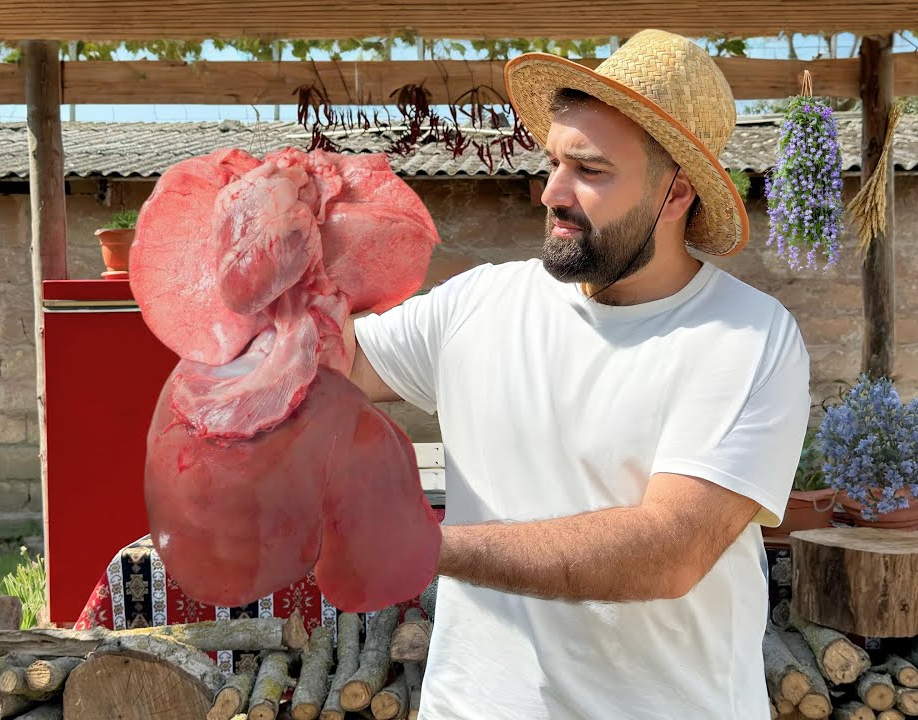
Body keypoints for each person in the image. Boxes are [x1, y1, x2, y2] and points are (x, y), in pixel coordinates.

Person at [343, 29, 811, 719]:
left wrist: (418, 545)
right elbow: (331, 366)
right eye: (554, 162)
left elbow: (670, 550)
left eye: (589, 170)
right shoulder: (479, 303)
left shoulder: (744, 338)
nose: (552, 193)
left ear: (675, 192)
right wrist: (283, 264)